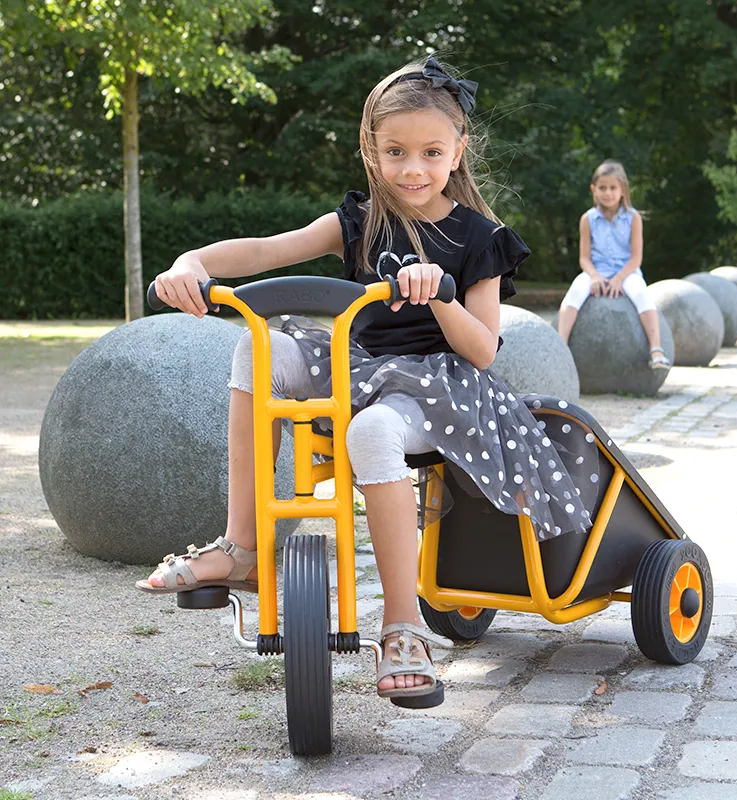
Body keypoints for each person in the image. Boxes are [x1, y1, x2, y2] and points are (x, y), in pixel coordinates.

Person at [136, 57, 596, 700]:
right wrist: (192, 262)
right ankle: (242, 548)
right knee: (258, 348)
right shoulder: (359, 220)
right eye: (396, 151)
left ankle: (404, 626)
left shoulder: (480, 238)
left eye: (431, 152)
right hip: (360, 368)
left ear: (458, 150)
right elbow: (267, 250)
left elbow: (483, 350)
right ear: (371, 150)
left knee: (372, 431)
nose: (413, 169)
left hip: (439, 389)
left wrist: (442, 294)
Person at [557, 160, 670, 370]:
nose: (607, 193)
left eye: (612, 188)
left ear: (623, 190)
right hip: (596, 271)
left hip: (627, 272)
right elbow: (584, 258)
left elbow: (636, 258)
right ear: (594, 190)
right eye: (602, 188)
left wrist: (619, 279)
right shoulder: (588, 219)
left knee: (642, 295)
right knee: (574, 294)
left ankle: (656, 349)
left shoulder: (633, 218)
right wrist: (595, 276)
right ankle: (559, 348)